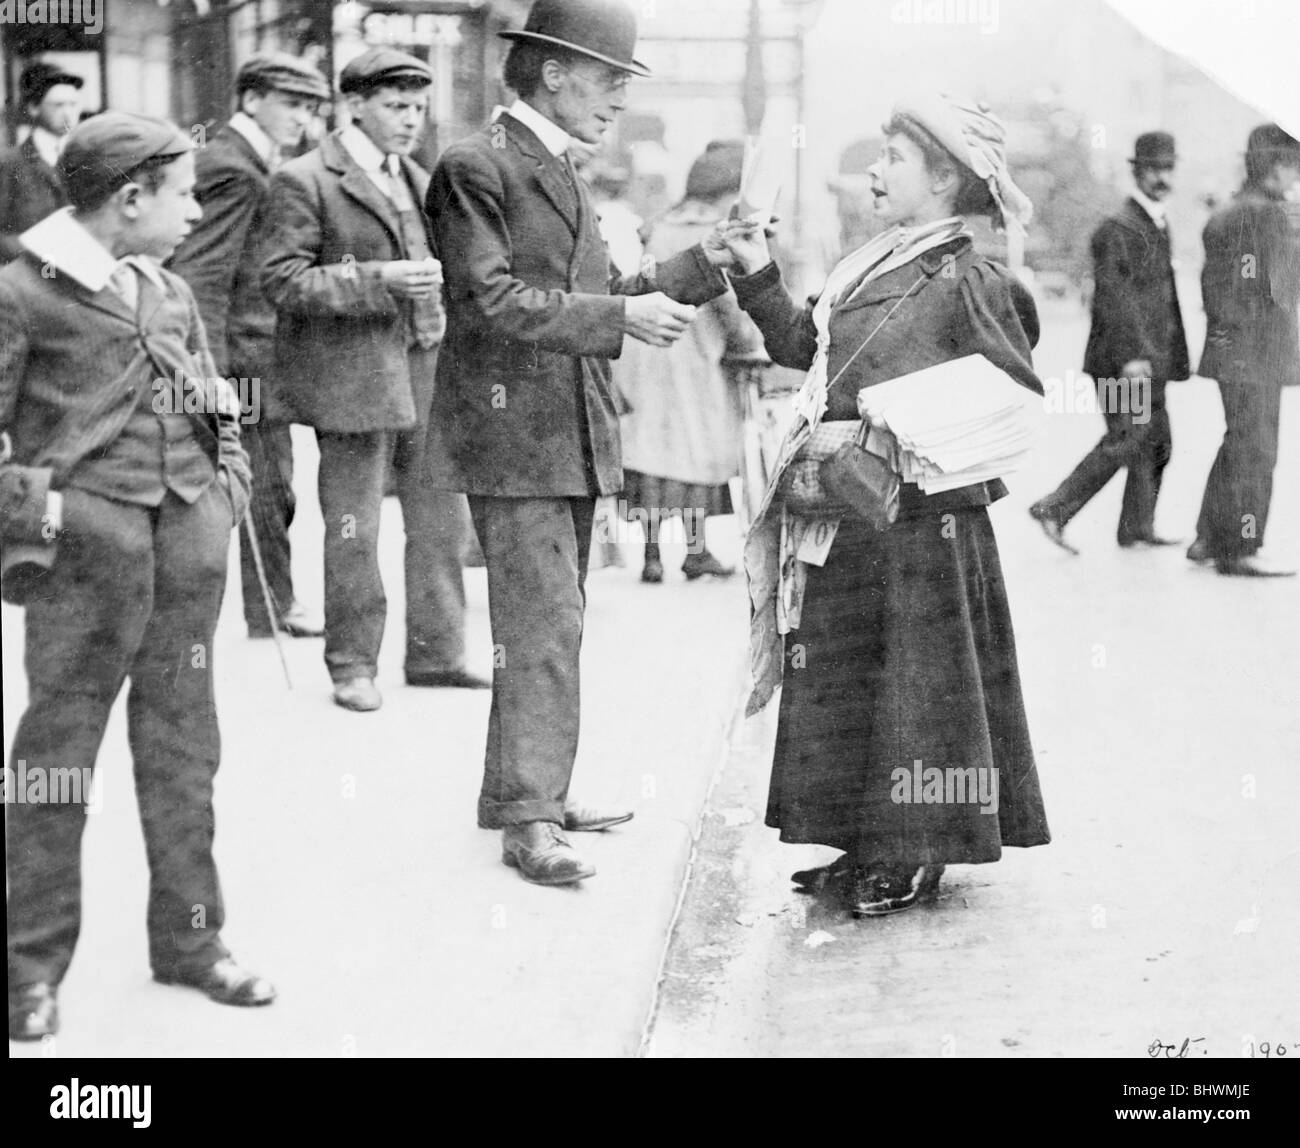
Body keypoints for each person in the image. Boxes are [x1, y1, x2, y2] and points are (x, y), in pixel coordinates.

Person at [717, 94, 1051, 917]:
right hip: (853, 510)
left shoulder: (968, 274)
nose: (874, 168)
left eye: (893, 158)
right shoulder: (873, 264)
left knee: (919, 685)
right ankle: (863, 839)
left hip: (924, 519)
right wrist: (756, 270)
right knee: (852, 673)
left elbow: (1011, 391)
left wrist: (898, 422)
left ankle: (913, 852)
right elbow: (806, 349)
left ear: (943, 180)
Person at [425, 0, 732, 886]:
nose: (616, 104)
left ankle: (534, 794)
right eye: (606, 82)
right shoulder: (474, 168)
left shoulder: (558, 170)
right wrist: (622, 314)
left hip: (565, 433)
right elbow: (491, 302)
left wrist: (708, 262)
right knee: (540, 624)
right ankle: (528, 816)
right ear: (552, 72)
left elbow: (608, 292)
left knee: (555, 620)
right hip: (511, 436)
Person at [2, 113, 273, 1041]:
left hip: (186, 555)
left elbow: (209, 399)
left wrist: (226, 493)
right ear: (128, 200)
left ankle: (193, 944)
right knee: (51, 765)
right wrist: (56, 519)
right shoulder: (20, 292)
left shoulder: (166, 289)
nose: (196, 210)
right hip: (84, 569)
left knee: (184, 754)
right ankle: (27, 974)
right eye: (184, 193)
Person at [261, 48, 487, 712]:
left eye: (418, 106)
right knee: (354, 526)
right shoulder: (305, 179)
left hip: (426, 370)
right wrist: (377, 281)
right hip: (351, 379)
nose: (410, 119)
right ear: (353, 104)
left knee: (440, 520)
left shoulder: (413, 177)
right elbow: (281, 279)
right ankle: (352, 664)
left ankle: (437, 655)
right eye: (395, 106)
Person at [169, 52, 331, 639]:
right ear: (252, 100)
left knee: (269, 479)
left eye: (311, 107)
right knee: (262, 479)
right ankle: (268, 607)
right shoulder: (234, 167)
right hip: (238, 359)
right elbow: (202, 275)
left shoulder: (250, 159)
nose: (302, 118)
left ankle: (271, 603)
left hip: (253, 354)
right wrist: (209, 372)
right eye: (292, 103)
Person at [1028, 132, 1189, 553]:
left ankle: (1136, 527)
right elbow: (1114, 298)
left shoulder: (1156, 222)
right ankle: (1055, 507)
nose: (1161, 177)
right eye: (1153, 169)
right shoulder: (1118, 228)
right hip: (1124, 361)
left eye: (1168, 168)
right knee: (1129, 437)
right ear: (1136, 172)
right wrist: (1133, 356)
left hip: (1151, 360)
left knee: (1157, 440)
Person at [618, 139, 765, 583]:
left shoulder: (661, 226)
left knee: (651, 457)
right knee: (694, 458)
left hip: (647, 350)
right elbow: (728, 305)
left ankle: (651, 555)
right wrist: (751, 341)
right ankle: (695, 551)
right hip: (696, 358)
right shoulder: (717, 233)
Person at [1186, 124, 1300, 577]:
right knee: (1257, 452)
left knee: (1238, 443)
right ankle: (1240, 549)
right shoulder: (1270, 215)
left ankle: (1208, 538)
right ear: (1276, 167)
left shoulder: (1229, 212)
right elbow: (1280, 288)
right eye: (1293, 167)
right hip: (1258, 352)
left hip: (1230, 350)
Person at [0, 62, 84, 263]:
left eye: (73, 104)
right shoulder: (9, 164)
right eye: (58, 105)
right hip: (28, 277)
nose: (68, 113)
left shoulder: (86, 159)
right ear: (34, 108)